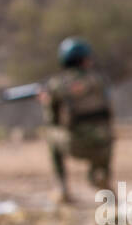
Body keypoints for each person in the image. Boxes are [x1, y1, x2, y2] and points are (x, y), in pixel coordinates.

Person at [39, 37, 113, 204]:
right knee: (104, 136)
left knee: (50, 135)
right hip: (104, 144)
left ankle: (62, 187)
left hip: (77, 143)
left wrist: (46, 101)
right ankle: (101, 176)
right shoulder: (99, 81)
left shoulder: (57, 84)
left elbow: (52, 119)